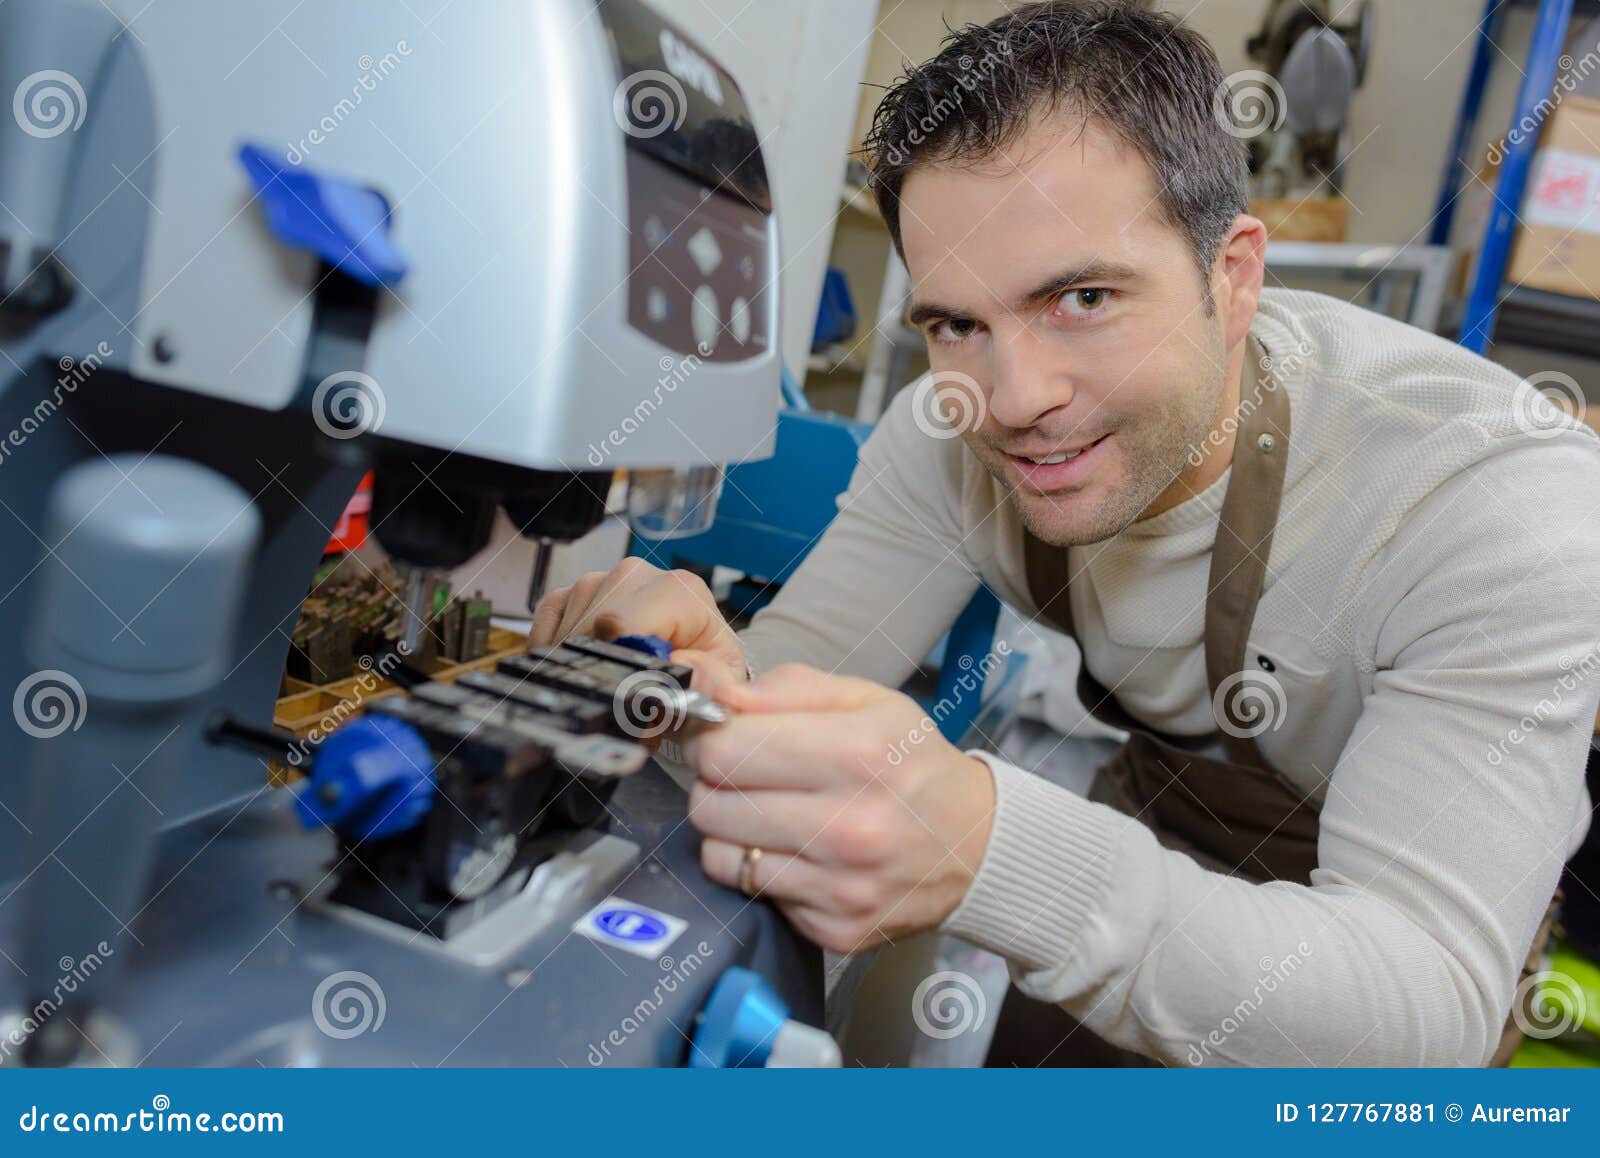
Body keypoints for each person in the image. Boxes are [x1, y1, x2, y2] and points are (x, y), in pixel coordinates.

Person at [533, 0, 1600, 1066]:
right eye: (956, 323)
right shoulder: (947, 437)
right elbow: (788, 679)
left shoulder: (1497, 505)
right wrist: (697, 684)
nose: (1013, 397)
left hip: (1384, 948)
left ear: (1231, 277)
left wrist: (986, 848)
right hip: (1156, 836)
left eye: (1081, 297)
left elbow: (1414, 1014)